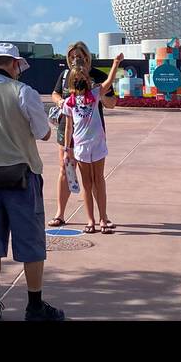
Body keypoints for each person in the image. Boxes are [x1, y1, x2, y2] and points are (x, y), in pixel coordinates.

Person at [0, 42, 65, 322]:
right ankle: (34, 307)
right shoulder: (24, 92)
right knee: (31, 244)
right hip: (22, 176)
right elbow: (43, 132)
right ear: (14, 64)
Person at [48, 41, 114, 227]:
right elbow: (55, 94)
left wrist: (99, 93)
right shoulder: (65, 75)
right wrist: (61, 102)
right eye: (71, 57)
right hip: (68, 129)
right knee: (66, 170)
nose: (75, 60)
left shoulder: (98, 76)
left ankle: (102, 217)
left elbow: (111, 103)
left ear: (86, 56)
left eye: (79, 56)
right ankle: (60, 214)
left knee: (95, 177)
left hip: (92, 133)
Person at [61, 57, 123, 234]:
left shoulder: (95, 94)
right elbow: (68, 127)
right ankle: (90, 220)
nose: (80, 80)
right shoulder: (69, 102)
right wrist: (67, 149)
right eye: (77, 78)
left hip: (97, 144)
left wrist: (115, 64)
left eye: (83, 77)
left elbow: (109, 81)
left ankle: (103, 218)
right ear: (72, 82)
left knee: (99, 180)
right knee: (87, 184)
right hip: (81, 147)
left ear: (88, 79)